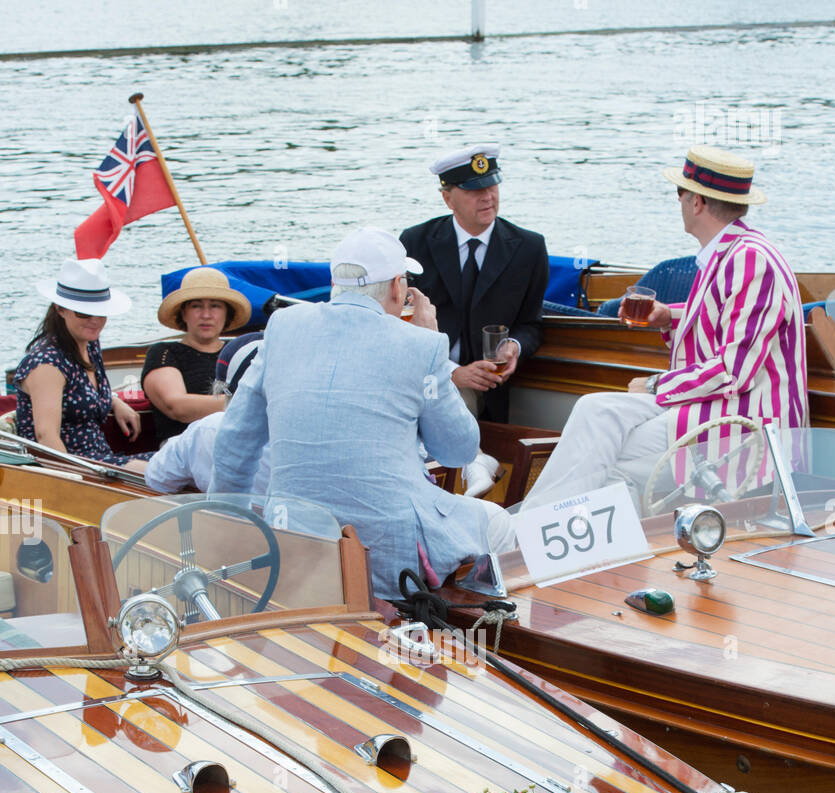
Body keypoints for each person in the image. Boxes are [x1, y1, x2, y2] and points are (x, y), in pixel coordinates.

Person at [210, 226, 513, 597]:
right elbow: (459, 451)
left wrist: (223, 529)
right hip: (386, 558)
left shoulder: (282, 327)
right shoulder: (422, 344)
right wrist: (430, 343)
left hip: (293, 543)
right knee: (499, 521)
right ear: (396, 288)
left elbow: (235, 441)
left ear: (335, 283)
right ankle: (501, 635)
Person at [523, 146, 808, 513]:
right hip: (718, 406)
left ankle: (533, 538)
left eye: (680, 193)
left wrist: (657, 383)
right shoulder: (734, 252)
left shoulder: (749, 260)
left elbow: (735, 371)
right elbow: (732, 316)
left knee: (613, 461)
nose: (679, 202)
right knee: (595, 410)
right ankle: (535, 530)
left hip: (746, 425)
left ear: (697, 202)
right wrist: (668, 316)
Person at [400, 143, 548, 423]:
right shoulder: (415, 242)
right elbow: (401, 323)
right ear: (448, 198)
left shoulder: (530, 248)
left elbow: (532, 324)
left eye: (492, 187)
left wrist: (513, 346)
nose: (488, 197)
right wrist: (452, 372)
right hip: (430, 379)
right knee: (452, 403)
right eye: (474, 190)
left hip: (494, 386)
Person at [13, 258, 142, 462]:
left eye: (102, 313)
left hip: (102, 460)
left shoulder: (89, 344)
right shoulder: (47, 363)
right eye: (84, 312)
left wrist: (114, 402)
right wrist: (78, 481)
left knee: (181, 459)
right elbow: (46, 437)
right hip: (79, 469)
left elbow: (83, 394)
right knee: (174, 471)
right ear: (60, 309)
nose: (95, 320)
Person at [145, 333, 269, 495]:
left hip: (225, 517)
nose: (206, 314)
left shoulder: (209, 429)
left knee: (132, 466)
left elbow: (157, 479)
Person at [142, 266, 252, 446]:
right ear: (183, 313)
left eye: (215, 306)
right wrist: (248, 404)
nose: (206, 315)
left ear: (226, 313)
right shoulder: (163, 352)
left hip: (239, 444)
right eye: (196, 306)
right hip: (182, 448)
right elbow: (177, 406)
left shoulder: (240, 352)